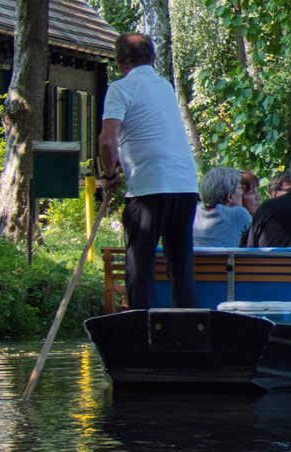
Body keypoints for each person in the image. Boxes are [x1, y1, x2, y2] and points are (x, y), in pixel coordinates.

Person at [97, 32, 199, 310]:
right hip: (185, 185)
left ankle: (141, 332)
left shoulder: (121, 88)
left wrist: (108, 174)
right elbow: (150, 133)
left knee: (140, 267)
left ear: (119, 63)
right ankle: (187, 331)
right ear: (153, 59)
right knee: (180, 267)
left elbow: (108, 139)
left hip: (148, 187)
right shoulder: (164, 86)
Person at [193, 166, 252, 249]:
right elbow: (255, 240)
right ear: (230, 196)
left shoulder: (193, 212)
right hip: (225, 262)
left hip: (193, 261)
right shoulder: (238, 214)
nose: (242, 192)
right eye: (240, 188)